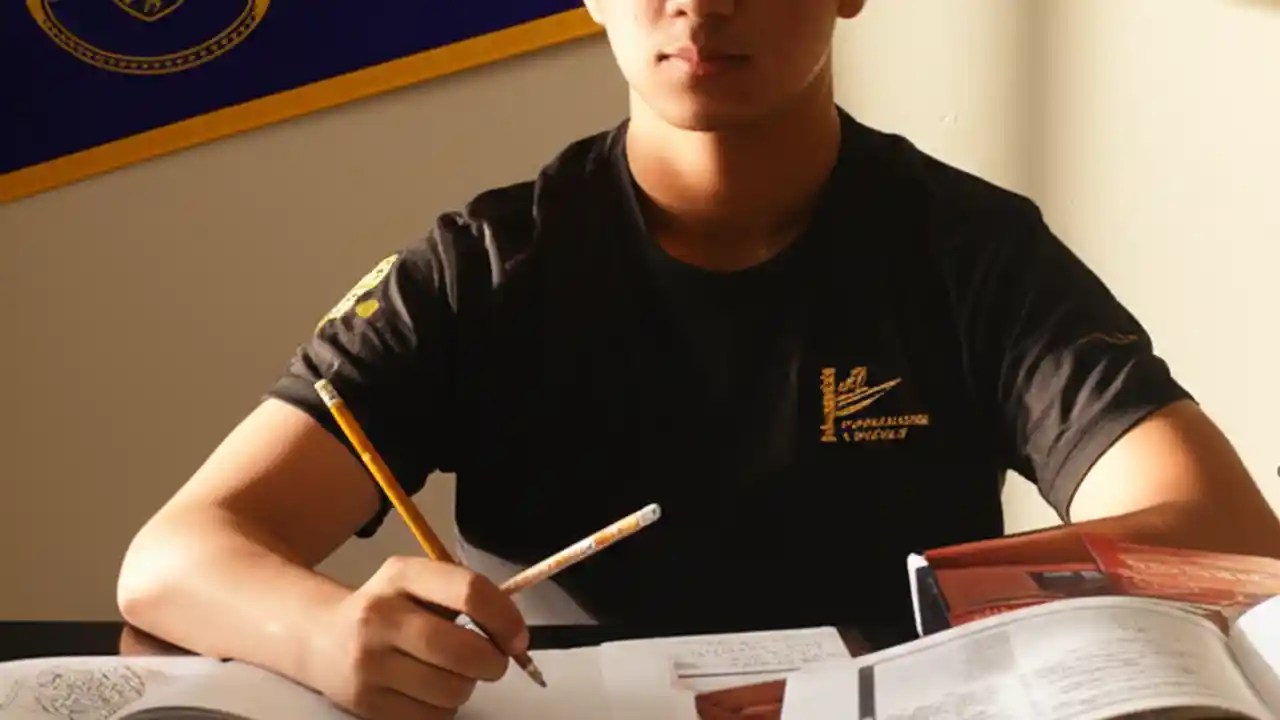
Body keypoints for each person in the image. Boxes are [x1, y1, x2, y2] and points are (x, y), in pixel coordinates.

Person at [116, 1, 1280, 718]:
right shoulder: (483, 265)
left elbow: (1227, 536)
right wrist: (324, 635)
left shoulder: (966, 251)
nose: (699, 3)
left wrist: (954, 605)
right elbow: (176, 558)